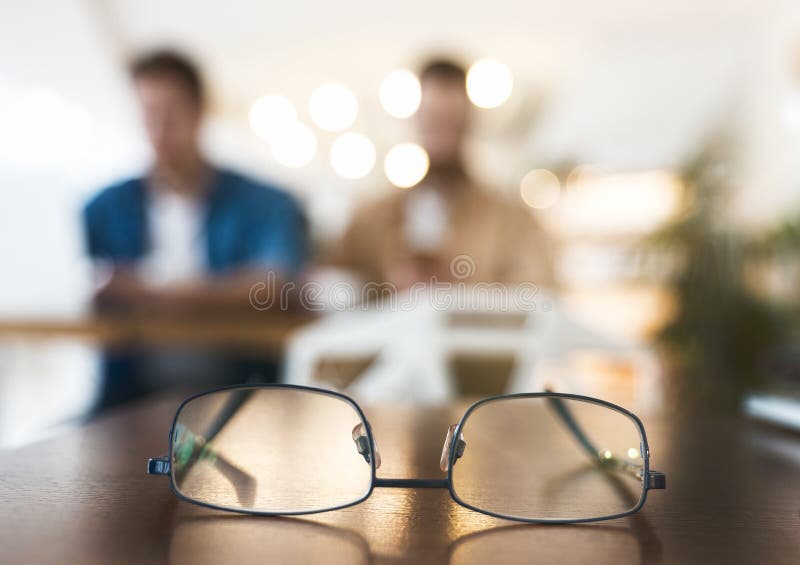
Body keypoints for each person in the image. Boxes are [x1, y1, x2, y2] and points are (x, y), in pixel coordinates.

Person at [83, 50, 308, 409]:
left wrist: (149, 294)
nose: (159, 131)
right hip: (130, 395)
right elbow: (85, 288)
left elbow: (271, 286)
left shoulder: (265, 203)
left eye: (170, 115)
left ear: (200, 112)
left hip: (240, 392)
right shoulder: (105, 208)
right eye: (149, 116)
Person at [335, 58, 555, 289]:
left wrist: (463, 288)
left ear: (468, 123)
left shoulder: (510, 220)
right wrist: (388, 286)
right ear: (417, 120)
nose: (443, 138)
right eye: (433, 122)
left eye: (452, 123)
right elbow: (334, 284)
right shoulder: (373, 219)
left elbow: (538, 291)